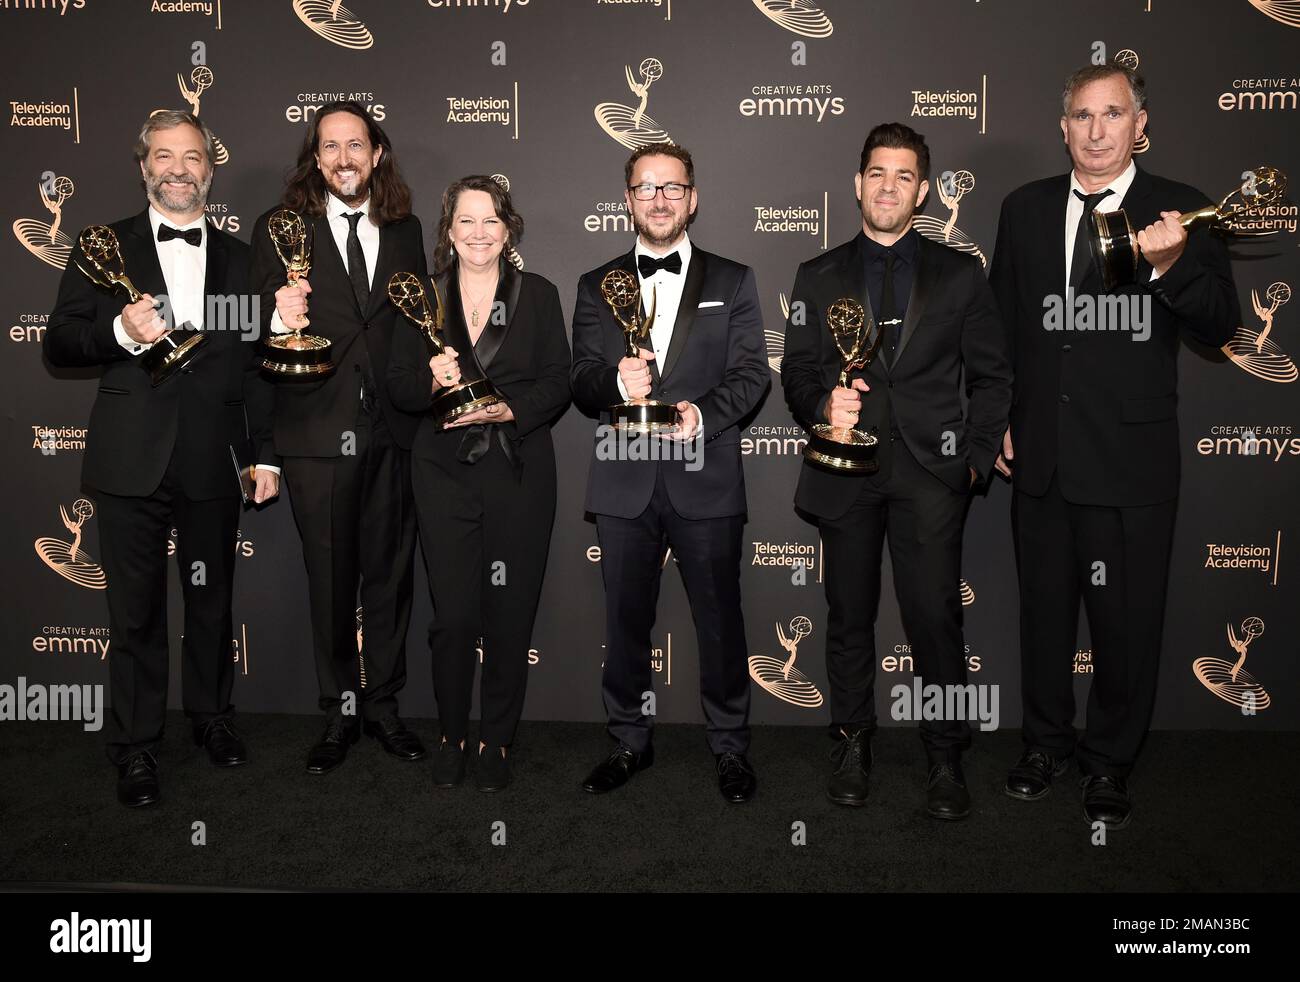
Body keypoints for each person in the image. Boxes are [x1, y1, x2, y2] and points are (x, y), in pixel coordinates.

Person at [990, 62, 1239, 828]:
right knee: (1043, 616)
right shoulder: (1025, 208)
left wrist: (1167, 268)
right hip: (1040, 457)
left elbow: (1221, 325)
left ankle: (1109, 761)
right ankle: (1044, 745)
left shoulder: (1183, 210)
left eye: (1112, 114)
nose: (1096, 130)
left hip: (1130, 463)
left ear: (1141, 124)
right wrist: (999, 414)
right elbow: (1000, 327)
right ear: (1062, 127)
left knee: (1127, 625)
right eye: (1082, 115)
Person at [45, 110, 279, 807]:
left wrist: (263, 455)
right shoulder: (99, 245)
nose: (180, 168)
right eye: (165, 156)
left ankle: (211, 719)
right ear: (143, 164)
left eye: (193, 157)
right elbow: (58, 343)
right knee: (136, 615)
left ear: (211, 167)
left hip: (214, 459)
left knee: (211, 604)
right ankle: (137, 746)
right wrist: (117, 330)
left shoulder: (242, 259)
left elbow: (257, 370)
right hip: (129, 462)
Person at [782, 122, 1012, 820]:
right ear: (857, 185)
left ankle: (945, 752)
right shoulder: (815, 275)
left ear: (923, 189)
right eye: (877, 173)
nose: (888, 186)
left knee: (935, 619)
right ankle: (852, 742)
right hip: (844, 469)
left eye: (904, 175)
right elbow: (795, 372)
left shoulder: (960, 272)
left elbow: (993, 377)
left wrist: (973, 463)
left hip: (931, 473)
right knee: (848, 616)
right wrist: (824, 400)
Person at [570, 142, 769, 803]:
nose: (659, 199)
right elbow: (579, 377)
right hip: (624, 482)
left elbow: (749, 376)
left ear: (693, 198)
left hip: (703, 476)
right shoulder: (595, 284)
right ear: (627, 200)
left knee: (719, 620)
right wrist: (612, 381)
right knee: (624, 622)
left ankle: (731, 749)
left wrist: (701, 417)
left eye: (672, 187)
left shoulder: (733, 280)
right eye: (646, 188)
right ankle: (628, 741)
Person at [250, 101, 428, 774]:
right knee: (330, 580)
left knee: (390, 574)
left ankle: (383, 707)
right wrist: (262, 447)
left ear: (377, 153)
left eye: (357, 144)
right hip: (314, 431)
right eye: (331, 146)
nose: (345, 157)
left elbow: (416, 327)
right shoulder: (279, 228)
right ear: (315, 158)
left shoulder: (406, 228)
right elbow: (254, 341)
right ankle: (340, 712)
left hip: (396, 431)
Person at [387, 176, 570, 792]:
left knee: (510, 613)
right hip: (443, 472)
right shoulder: (421, 297)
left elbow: (558, 380)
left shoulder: (538, 295)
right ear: (448, 232)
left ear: (508, 227)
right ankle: (451, 735)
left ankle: (496, 740)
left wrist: (510, 409)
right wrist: (432, 381)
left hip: (518, 471)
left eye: (490, 221)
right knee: (456, 616)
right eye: (466, 221)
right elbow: (398, 387)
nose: (479, 233)